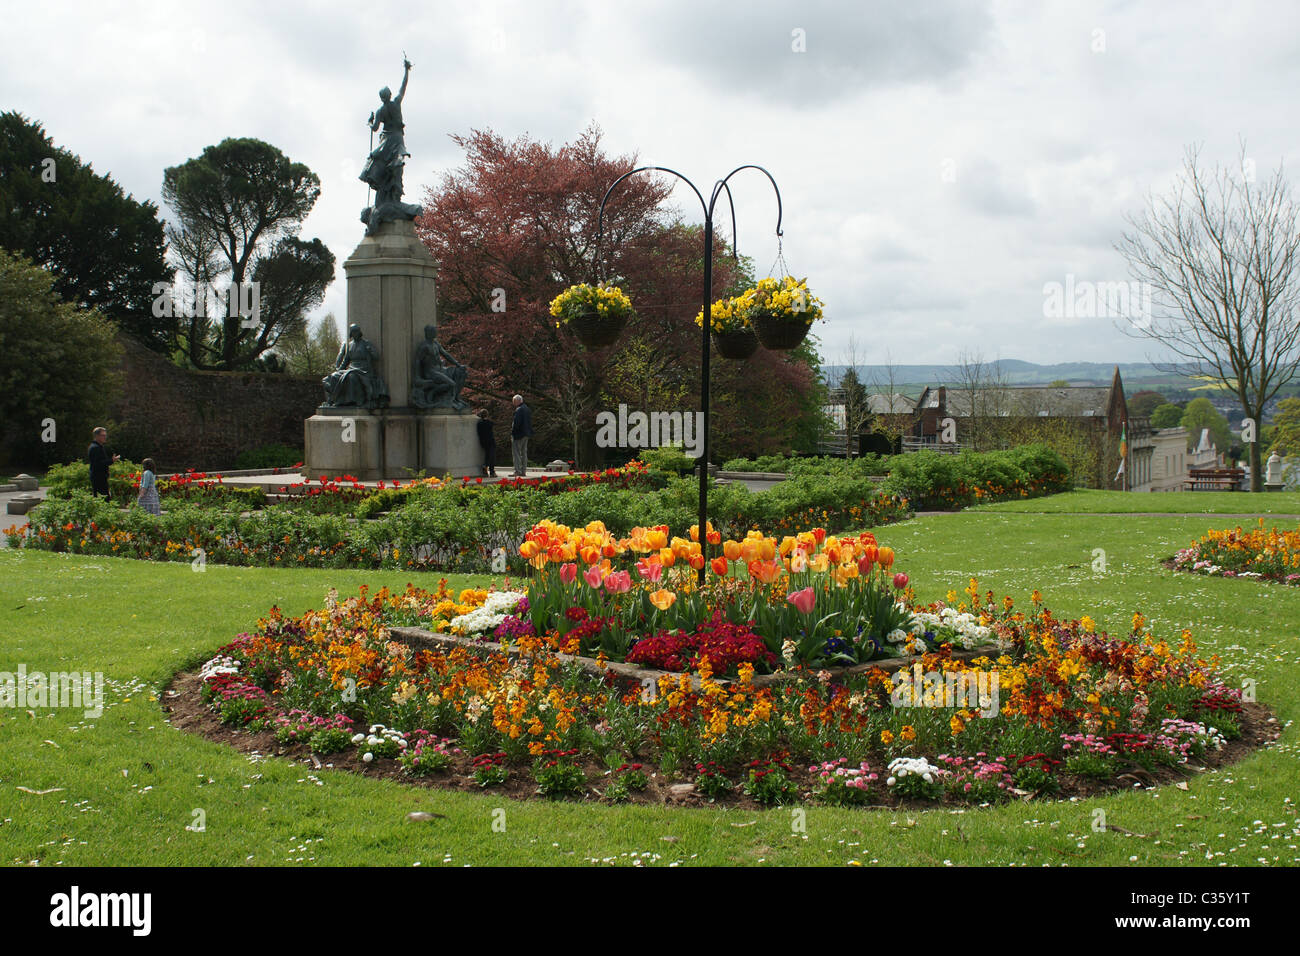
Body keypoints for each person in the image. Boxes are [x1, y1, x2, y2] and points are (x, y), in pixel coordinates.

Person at [86, 426, 119, 501]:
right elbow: (98, 463)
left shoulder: (99, 446)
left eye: (105, 435)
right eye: (103, 435)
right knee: (103, 499)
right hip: (98, 477)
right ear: (96, 436)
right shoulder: (95, 448)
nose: (105, 437)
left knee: (103, 498)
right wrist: (111, 460)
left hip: (101, 477)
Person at [510, 394, 533, 477]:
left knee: (516, 453)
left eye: (514, 401)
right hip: (526, 433)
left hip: (518, 434)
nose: (513, 403)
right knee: (524, 453)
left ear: (518, 401)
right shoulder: (527, 409)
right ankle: (523, 471)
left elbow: (516, 423)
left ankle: (517, 470)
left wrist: (513, 432)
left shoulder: (519, 410)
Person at [476, 408, 497, 477]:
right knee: (492, 457)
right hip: (490, 441)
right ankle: (491, 471)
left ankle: (485, 468)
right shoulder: (489, 423)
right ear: (487, 415)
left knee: (487, 455)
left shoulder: (479, 423)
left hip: (483, 442)